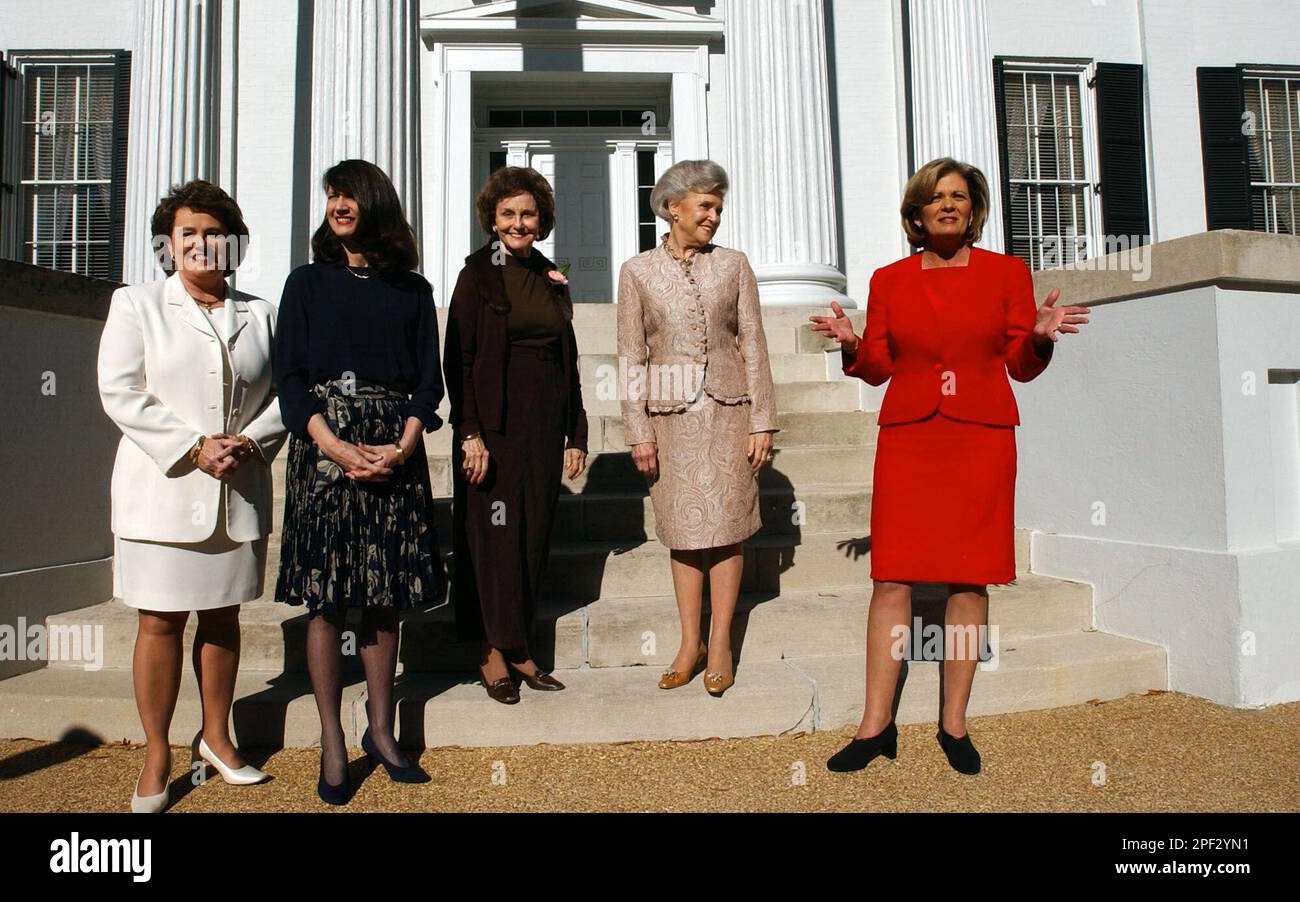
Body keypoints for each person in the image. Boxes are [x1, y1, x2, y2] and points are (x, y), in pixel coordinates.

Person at [810, 157, 1091, 774]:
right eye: (936, 197)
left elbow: (1020, 362)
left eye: (960, 196)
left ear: (973, 211)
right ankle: (874, 725)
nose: (948, 204)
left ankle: (954, 723)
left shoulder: (1006, 274)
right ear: (916, 212)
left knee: (970, 579)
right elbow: (880, 366)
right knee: (892, 580)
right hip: (911, 438)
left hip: (981, 439)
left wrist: (1040, 335)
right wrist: (855, 347)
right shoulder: (888, 280)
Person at [98, 179, 285, 812]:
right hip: (164, 490)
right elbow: (121, 391)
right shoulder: (136, 304)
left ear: (234, 242)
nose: (202, 243)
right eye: (188, 233)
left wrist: (250, 442)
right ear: (167, 243)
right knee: (159, 621)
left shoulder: (261, 312)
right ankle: (157, 753)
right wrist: (192, 446)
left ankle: (217, 738)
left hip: (237, 491)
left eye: (214, 232)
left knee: (225, 616)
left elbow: (288, 394)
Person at [274, 159, 445, 804]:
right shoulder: (306, 284)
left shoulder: (411, 289)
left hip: (393, 448)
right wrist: (336, 446)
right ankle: (330, 739)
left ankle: (380, 729)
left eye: (349, 194)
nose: (339, 204)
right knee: (326, 600)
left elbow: (428, 382)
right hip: (324, 450)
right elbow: (289, 378)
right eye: (331, 195)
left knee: (383, 595)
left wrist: (401, 447)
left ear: (375, 202)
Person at [616, 159, 778, 696]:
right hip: (671, 422)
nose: (713, 216)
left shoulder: (733, 265)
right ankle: (690, 643)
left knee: (728, 528)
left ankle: (722, 640)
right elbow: (631, 355)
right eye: (705, 206)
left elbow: (753, 342)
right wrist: (637, 429)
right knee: (684, 535)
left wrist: (763, 421)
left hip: (730, 413)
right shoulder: (637, 271)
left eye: (717, 207)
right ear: (672, 207)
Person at [444, 166, 588, 705]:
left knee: (531, 537)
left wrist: (576, 432)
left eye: (527, 213)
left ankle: (520, 643)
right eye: (508, 214)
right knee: (492, 539)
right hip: (495, 428)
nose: (518, 222)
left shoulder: (553, 276)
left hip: (544, 425)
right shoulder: (476, 275)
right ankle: (491, 651)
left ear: (541, 219)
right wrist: (471, 433)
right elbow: (460, 359)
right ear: (493, 218)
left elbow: (567, 358)